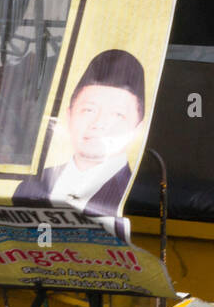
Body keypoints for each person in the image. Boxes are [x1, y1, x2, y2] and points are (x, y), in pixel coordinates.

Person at [12, 49, 147, 242]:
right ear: (68, 116)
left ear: (137, 128)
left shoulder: (139, 195)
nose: (99, 123)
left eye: (117, 115)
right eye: (89, 110)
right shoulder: (29, 187)